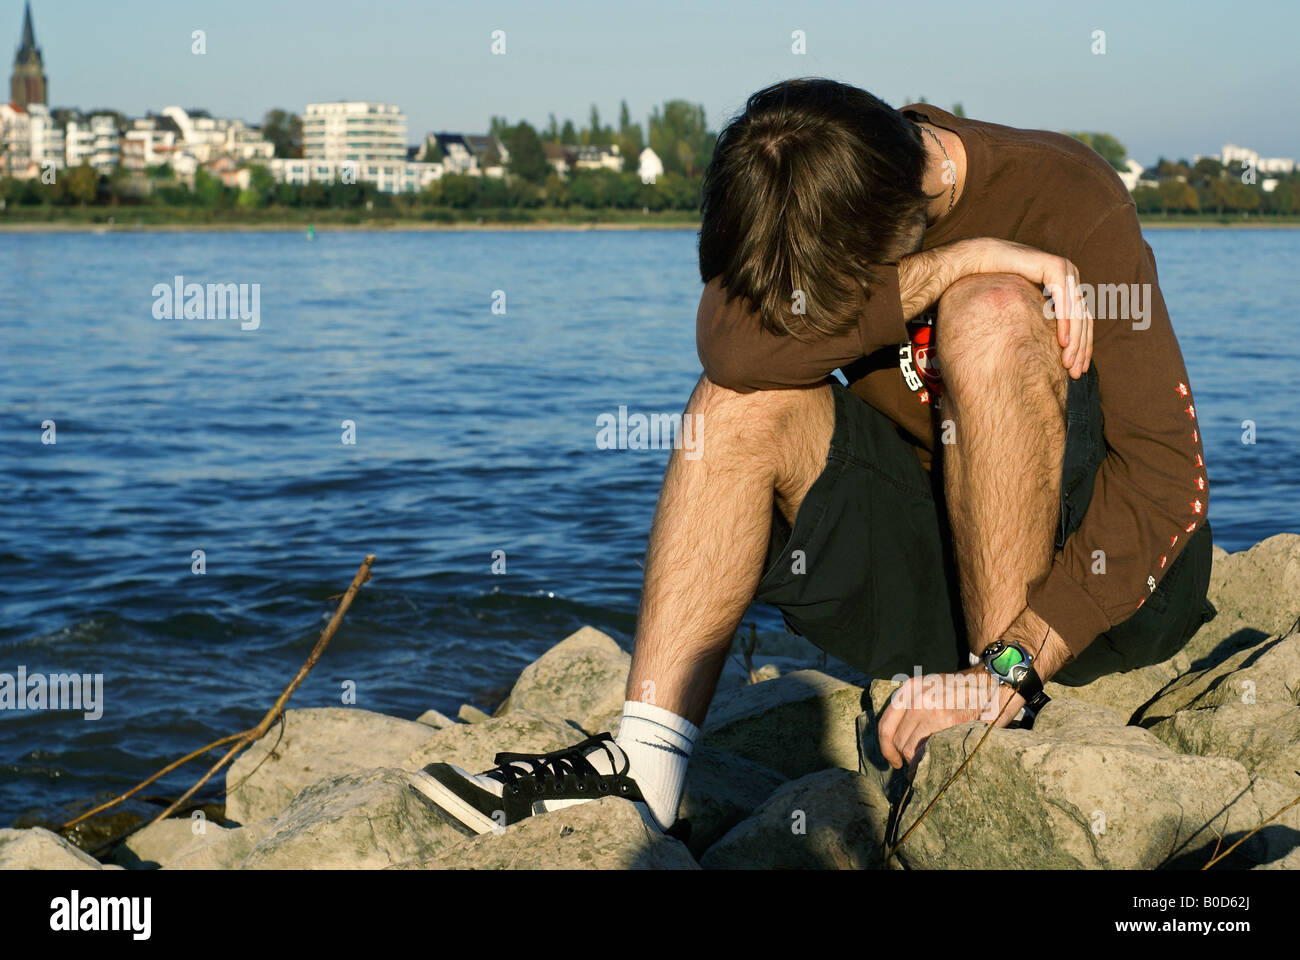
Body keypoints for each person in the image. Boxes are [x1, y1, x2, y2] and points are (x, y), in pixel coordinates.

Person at [409, 78, 1214, 837]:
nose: (820, 312)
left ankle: (998, 708)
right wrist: (941, 268)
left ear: (907, 208)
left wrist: (1012, 661)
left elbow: (1166, 479)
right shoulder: (806, 182)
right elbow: (727, 346)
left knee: (993, 310)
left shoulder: (1066, 191)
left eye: (834, 289)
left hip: (1091, 598)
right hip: (933, 572)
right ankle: (647, 765)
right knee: (736, 399)